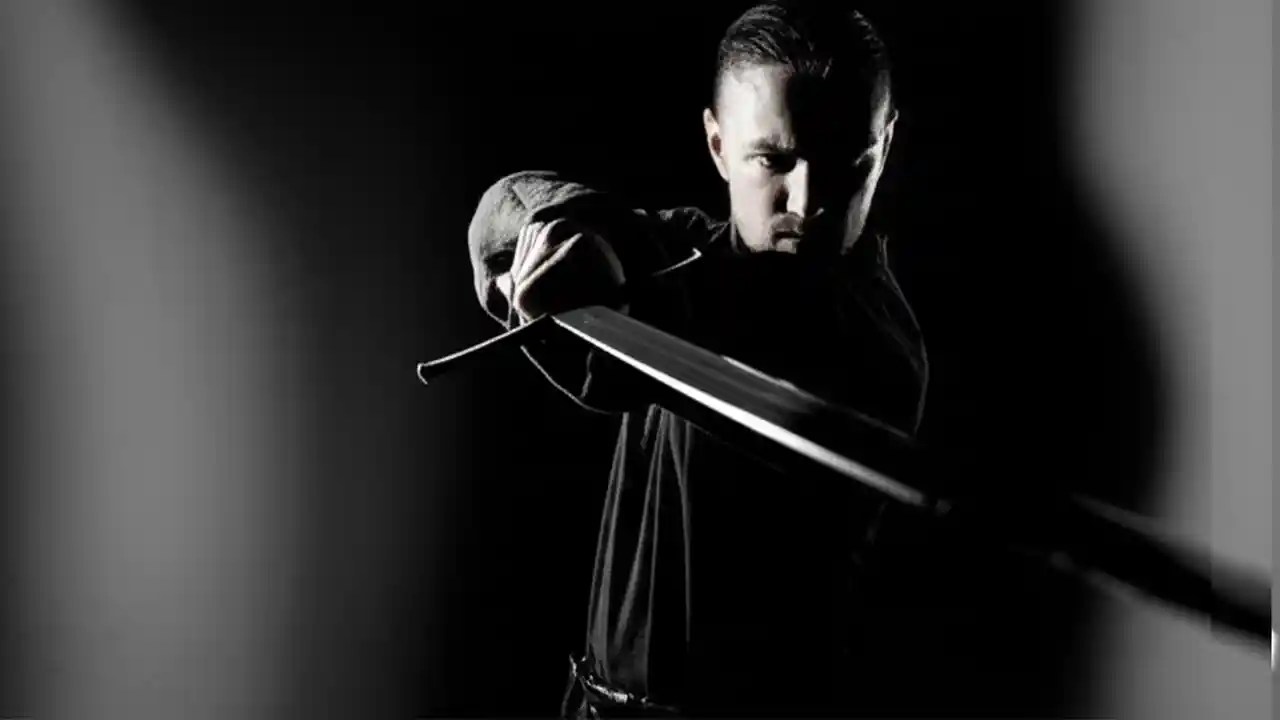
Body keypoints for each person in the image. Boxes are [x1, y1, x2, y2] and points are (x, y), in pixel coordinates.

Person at [465, 3, 928, 716]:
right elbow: (499, 212)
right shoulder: (686, 252)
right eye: (774, 160)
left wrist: (602, 274)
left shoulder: (874, 349)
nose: (809, 201)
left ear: (885, 143)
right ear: (718, 145)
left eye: (848, 161)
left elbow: (700, 333)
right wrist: (558, 229)